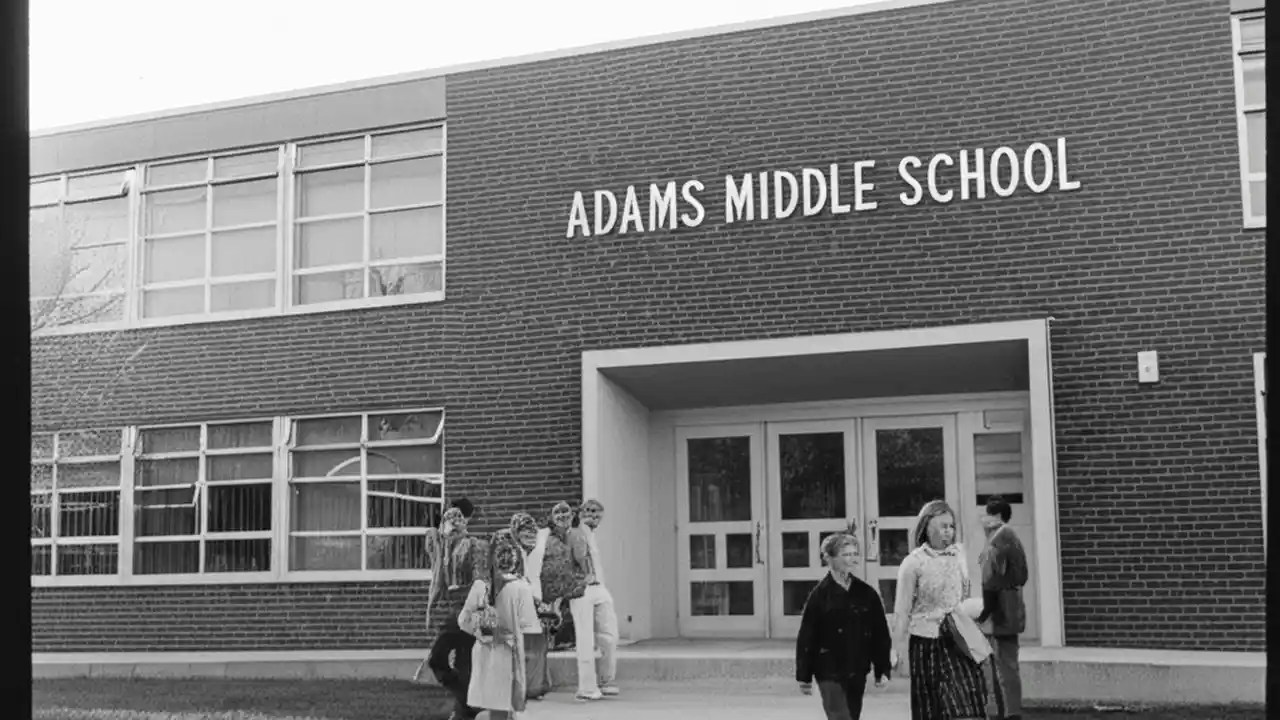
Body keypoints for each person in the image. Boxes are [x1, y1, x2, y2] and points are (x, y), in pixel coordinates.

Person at [892, 499, 988, 720]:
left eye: (952, 526)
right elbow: (902, 609)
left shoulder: (960, 556)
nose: (949, 532)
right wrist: (895, 648)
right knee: (933, 708)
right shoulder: (913, 563)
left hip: (958, 638)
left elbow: (967, 595)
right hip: (927, 643)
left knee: (965, 703)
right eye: (943, 526)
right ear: (927, 527)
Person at [795, 532, 892, 720]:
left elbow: (880, 634)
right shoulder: (819, 596)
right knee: (839, 715)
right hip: (828, 668)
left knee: (853, 714)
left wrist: (882, 668)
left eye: (855, 554)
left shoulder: (866, 593)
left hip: (857, 666)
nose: (852, 559)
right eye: (846, 554)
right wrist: (804, 675)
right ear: (829, 558)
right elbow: (807, 637)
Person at [459, 529, 539, 720]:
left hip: (485, 652)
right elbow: (530, 626)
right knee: (505, 705)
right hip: (510, 653)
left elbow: (463, 620)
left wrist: (482, 633)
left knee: (495, 704)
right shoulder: (521, 588)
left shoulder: (480, 586)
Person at [422, 498, 488, 720]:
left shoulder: (475, 545)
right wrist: (431, 609)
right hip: (454, 608)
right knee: (456, 662)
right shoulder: (444, 550)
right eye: (449, 520)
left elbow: (480, 580)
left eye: (458, 519)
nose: (454, 523)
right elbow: (438, 578)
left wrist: (472, 610)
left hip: (468, 609)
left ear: (465, 523)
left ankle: (467, 708)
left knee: (455, 659)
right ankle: (467, 706)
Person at [976, 496, 1029, 720]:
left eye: (987, 513)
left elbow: (991, 578)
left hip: (1001, 610)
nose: (983, 518)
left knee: (1003, 663)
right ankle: (1007, 710)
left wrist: (986, 611)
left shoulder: (1000, 539)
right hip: (1009, 607)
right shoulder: (1007, 537)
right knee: (1005, 662)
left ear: (996, 516)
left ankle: (1007, 711)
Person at [537, 501, 593, 695]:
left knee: (577, 636)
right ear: (551, 517)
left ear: (572, 515)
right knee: (543, 638)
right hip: (549, 594)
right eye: (557, 512)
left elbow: (584, 562)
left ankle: (588, 685)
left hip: (574, 592)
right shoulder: (544, 536)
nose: (561, 515)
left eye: (565, 511)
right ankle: (542, 680)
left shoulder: (577, 535)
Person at [570, 498, 620, 701]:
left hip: (599, 587)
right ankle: (586, 687)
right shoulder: (574, 533)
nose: (593, 515)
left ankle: (606, 679)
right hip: (581, 589)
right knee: (585, 639)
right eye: (589, 511)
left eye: (598, 512)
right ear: (581, 512)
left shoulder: (593, 534)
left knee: (609, 634)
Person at [510, 511, 553, 700]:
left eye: (532, 532)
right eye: (524, 532)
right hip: (520, 603)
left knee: (537, 647)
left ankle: (536, 687)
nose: (529, 535)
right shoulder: (511, 552)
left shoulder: (538, 549)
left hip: (536, 602)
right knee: (521, 647)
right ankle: (521, 687)